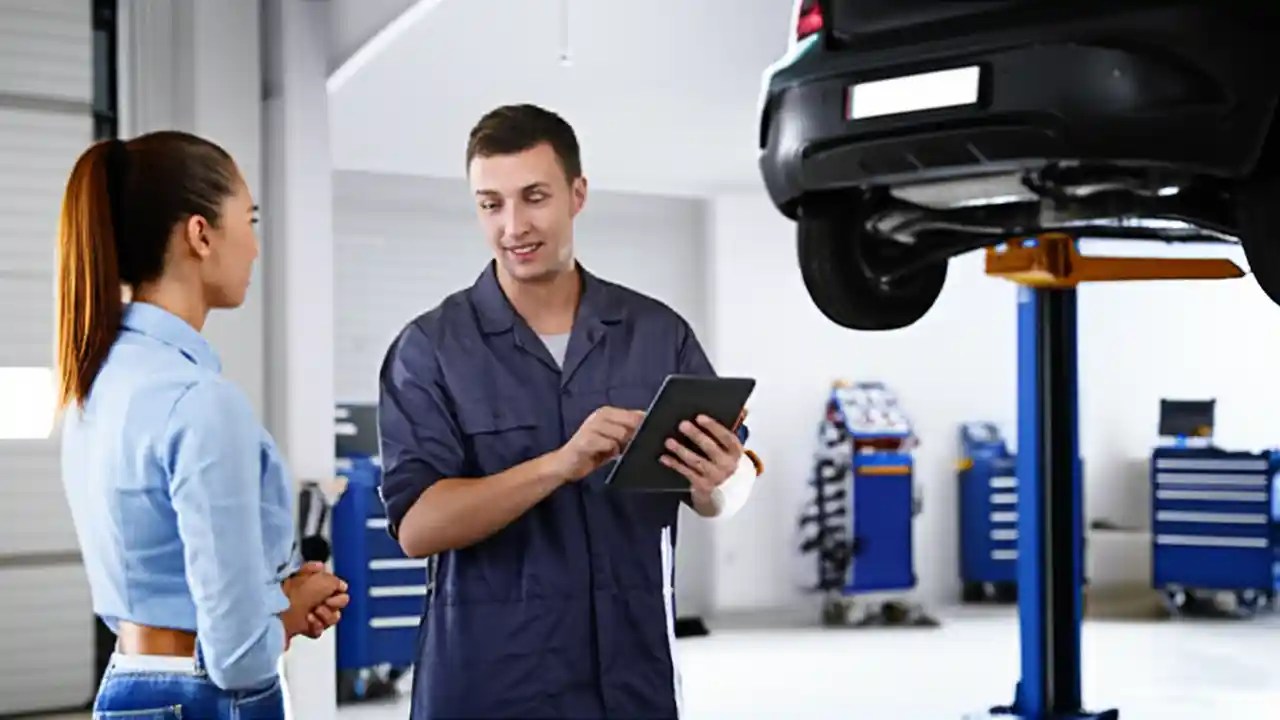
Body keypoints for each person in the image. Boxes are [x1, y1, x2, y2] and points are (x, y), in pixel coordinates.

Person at [377, 104, 764, 719]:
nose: (513, 226)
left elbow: (731, 482)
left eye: (534, 197)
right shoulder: (431, 349)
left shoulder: (658, 334)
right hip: (488, 690)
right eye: (490, 204)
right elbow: (418, 527)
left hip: (631, 683)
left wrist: (720, 481)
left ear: (577, 194)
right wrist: (558, 465)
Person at [56, 131, 350, 718]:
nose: (256, 247)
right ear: (200, 234)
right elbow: (238, 654)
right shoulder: (201, 401)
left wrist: (277, 600)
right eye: (252, 219)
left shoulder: (95, 381)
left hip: (129, 681)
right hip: (202, 697)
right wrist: (290, 611)